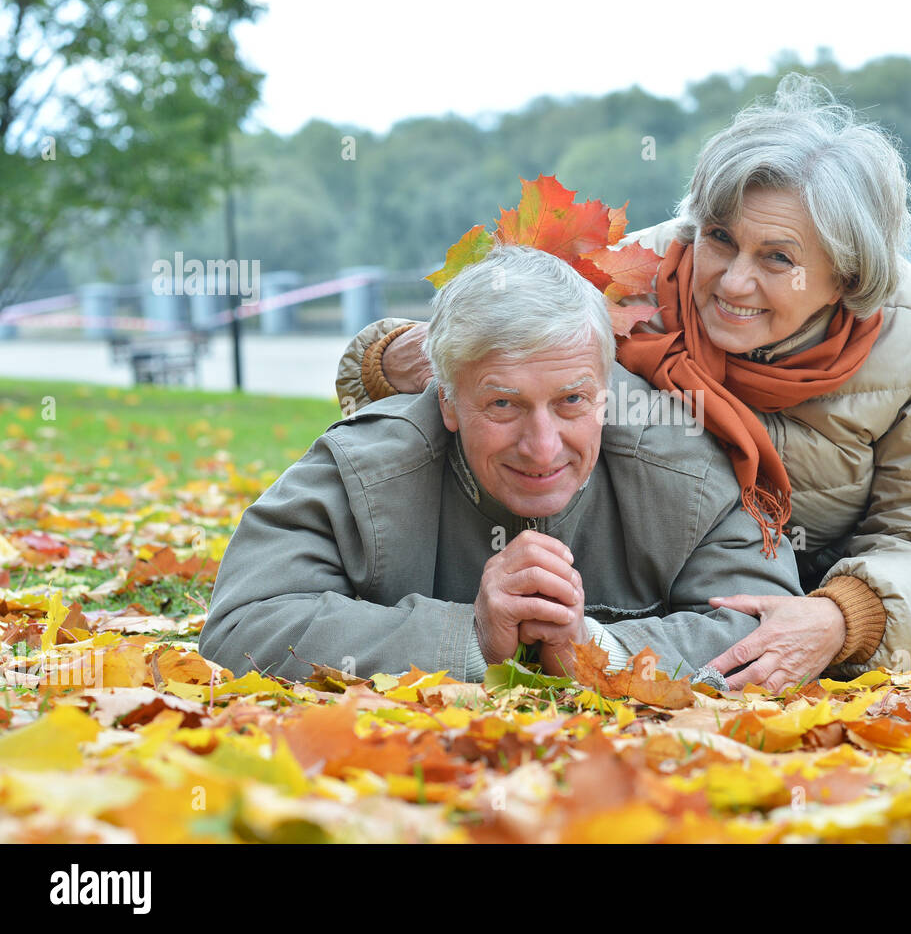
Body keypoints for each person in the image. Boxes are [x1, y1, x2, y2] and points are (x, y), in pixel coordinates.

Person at [334, 74, 911, 692]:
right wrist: (398, 357)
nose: (729, 280)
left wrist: (847, 614)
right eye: (721, 238)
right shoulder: (625, 277)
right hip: (761, 545)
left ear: (844, 275)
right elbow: (479, 341)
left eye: (777, 259)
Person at [199, 246, 803, 683]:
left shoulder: (685, 471)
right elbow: (244, 622)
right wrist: (468, 638)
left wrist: (596, 648)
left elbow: (768, 627)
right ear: (448, 402)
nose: (542, 448)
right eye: (503, 404)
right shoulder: (365, 470)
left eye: (571, 401)